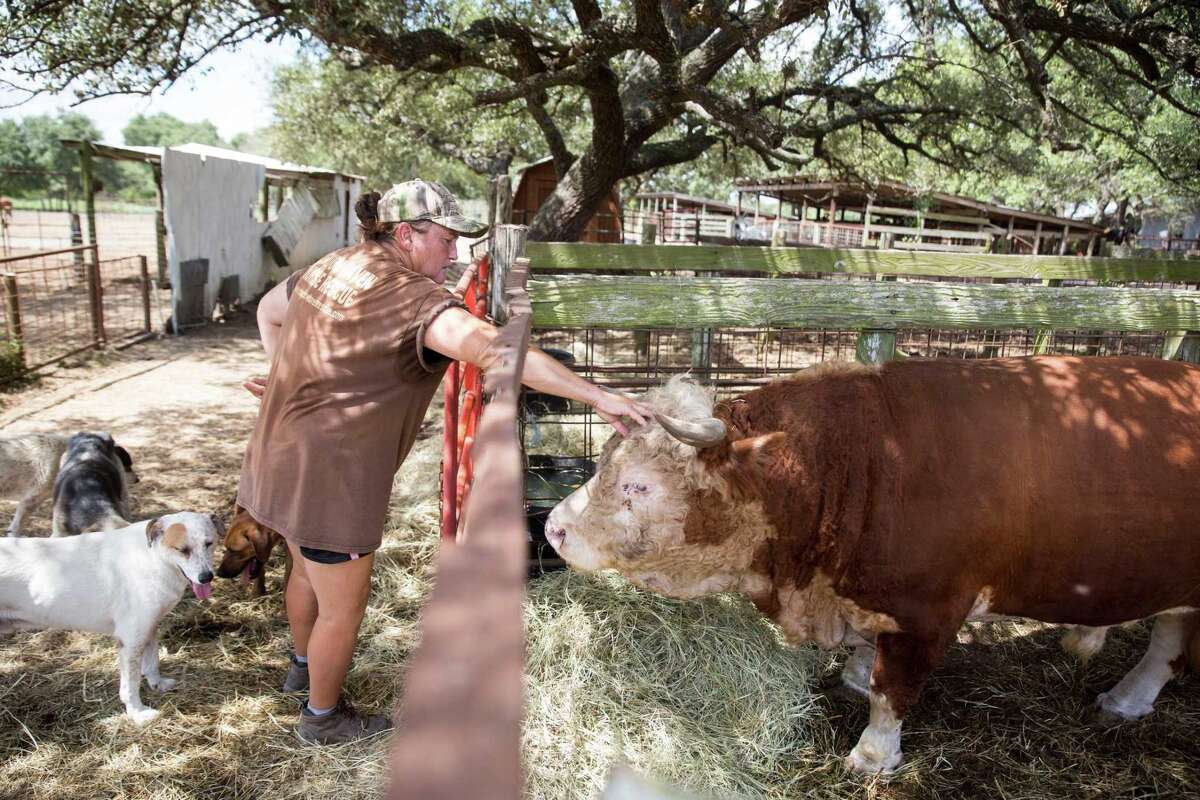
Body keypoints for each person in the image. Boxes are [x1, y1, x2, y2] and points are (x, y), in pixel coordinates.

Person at [238, 179, 653, 745]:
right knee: (344, 605)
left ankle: (301, 669)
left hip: (277, 455)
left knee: (306, 570)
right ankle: (322, 717)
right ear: (407, 234)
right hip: (332, 477)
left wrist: (287, 375)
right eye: (446, 240)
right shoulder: (409, 297)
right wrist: (598, 396)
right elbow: (494, 350)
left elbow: (268, 311)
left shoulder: (336, 264)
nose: (454, 254)